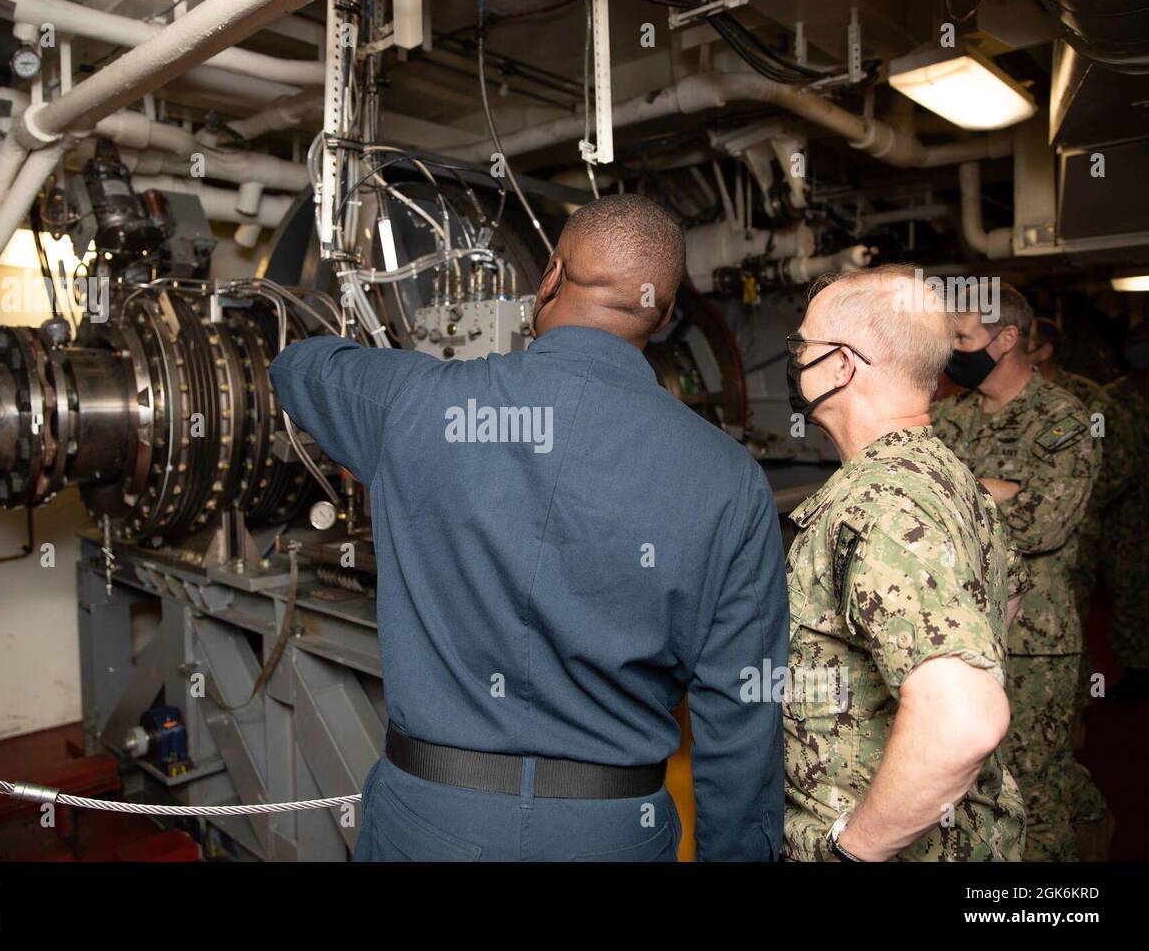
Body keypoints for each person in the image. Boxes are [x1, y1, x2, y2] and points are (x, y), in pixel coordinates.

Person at [270, 193, 788, 861]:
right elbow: (743, 715)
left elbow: (299, 367)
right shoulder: (730, 480)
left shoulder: (417, 405)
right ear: (661, 311)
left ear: (549, 278)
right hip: (614, 832)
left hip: (431, 823)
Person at [782, 264, 1024, 862]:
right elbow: (1007, 601)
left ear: (840, 366)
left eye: (802, 346)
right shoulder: (946, 473)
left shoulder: (880, 503)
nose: (794, 359)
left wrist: (855, 850)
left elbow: (964, 717)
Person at [931, 282, 1099, 862]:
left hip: (1031, 643)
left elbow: (1041, 525)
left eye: (962, 338)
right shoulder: (945, 418)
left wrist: (966, 490)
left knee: (1034, 785)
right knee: (965, 783)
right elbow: (921, 512)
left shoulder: (1065, 419)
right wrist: (999, 491)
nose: (951, 350)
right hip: (955, 635)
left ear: (1005, 340)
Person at [1024, 315, 1115, 859]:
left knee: (1040, 763)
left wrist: (984, 494)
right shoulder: (952, 414)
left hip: (1044, 617)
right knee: (1021, 763)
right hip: (981, 619)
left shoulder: (1074, 408)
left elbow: (1044, 519)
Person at [1100, 323, 1149, 704]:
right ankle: (1137, 670)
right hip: (1127, 521)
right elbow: (1106, 467)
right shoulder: (1111, 400)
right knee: (1130, 595)